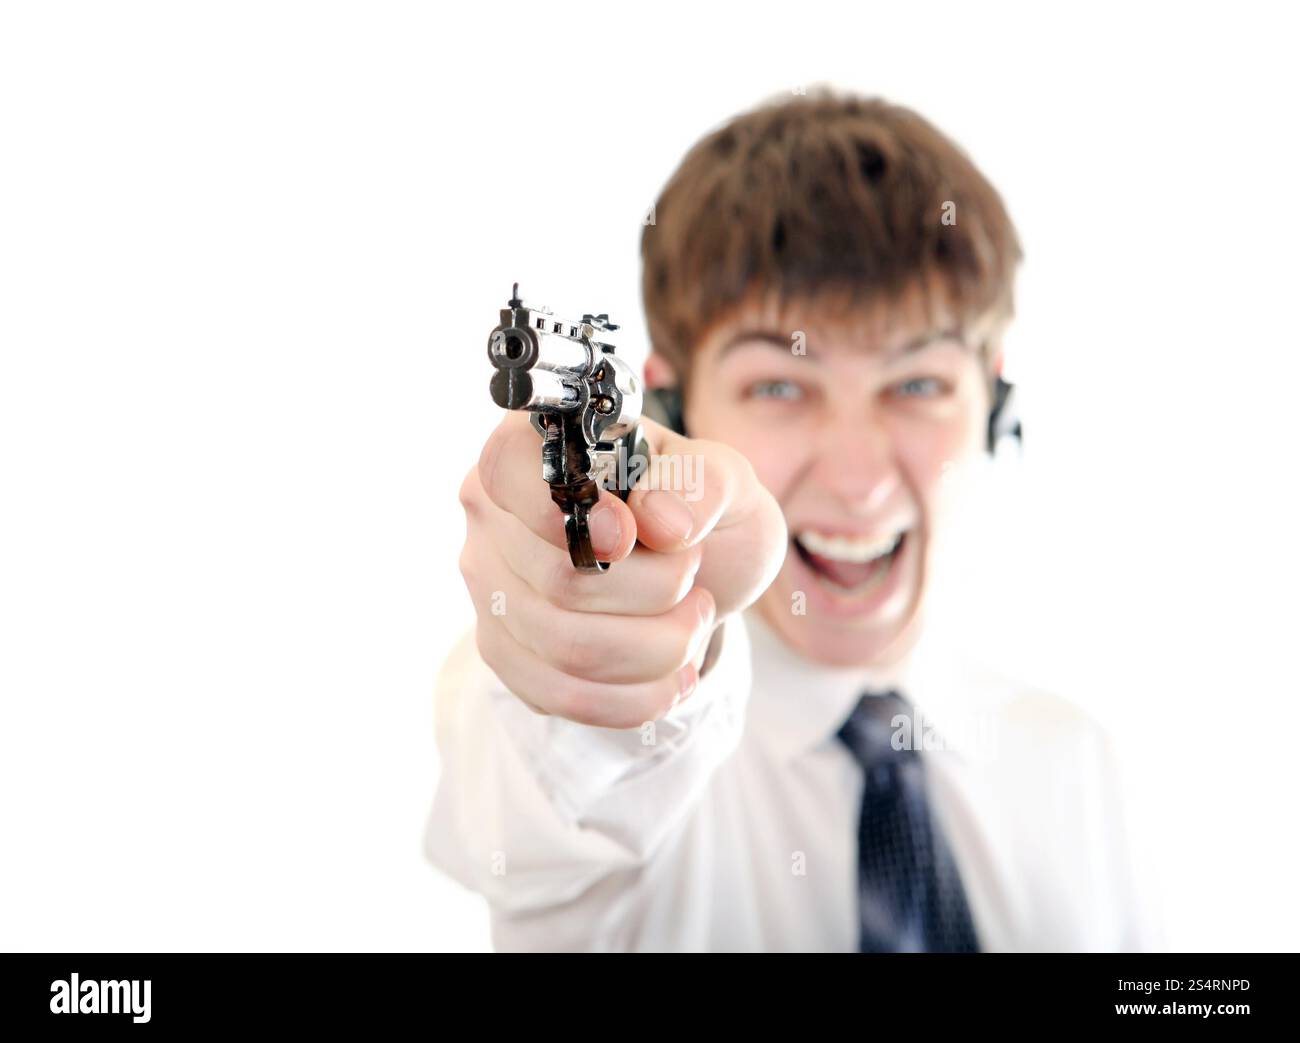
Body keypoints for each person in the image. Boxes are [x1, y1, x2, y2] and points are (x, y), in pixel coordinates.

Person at [425, 89, 1150, 951]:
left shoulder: (1077, 762)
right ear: (674, 405)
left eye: (916, 384)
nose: (856, 478)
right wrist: (606, 634)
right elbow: (553, 767)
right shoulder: (642, 780)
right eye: (780, 386)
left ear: (993, 405)